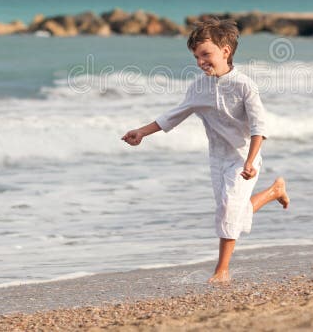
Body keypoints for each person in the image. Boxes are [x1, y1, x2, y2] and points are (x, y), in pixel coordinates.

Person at [122, 17, 289, 282]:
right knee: (230, 210)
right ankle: (273, 192)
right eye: (196, 57)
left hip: (246, 158)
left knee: (227, 208)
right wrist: (142, 132)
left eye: (205, 54)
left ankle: (221, 270)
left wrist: (250, 161)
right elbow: (174, 115)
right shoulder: (198, 87)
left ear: (225, 51)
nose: (201, 61)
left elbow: (259, 127)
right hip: (218, 160)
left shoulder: (244, 85)